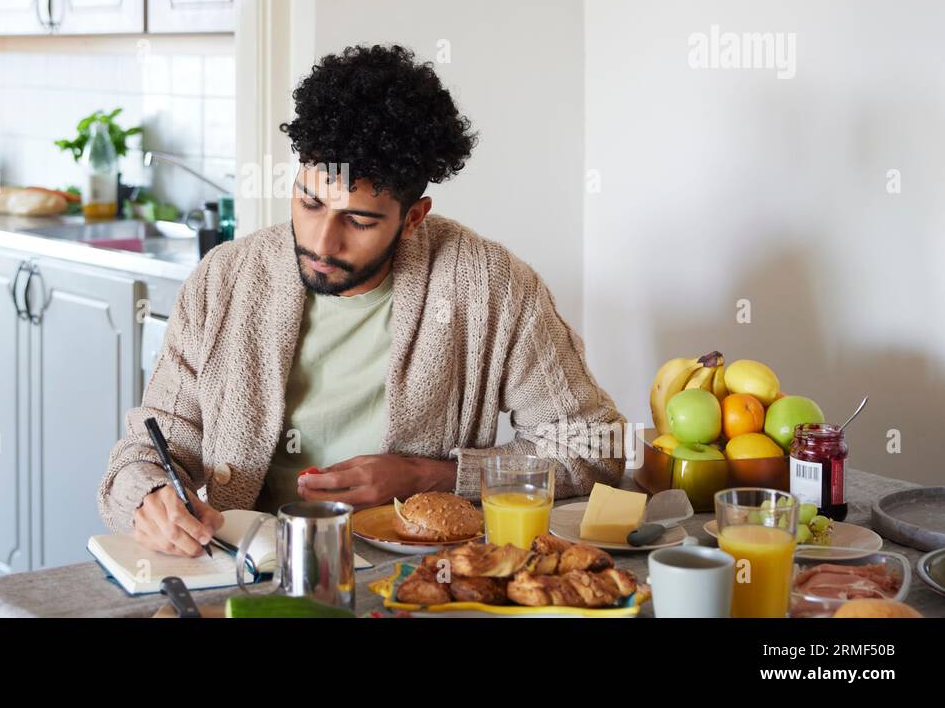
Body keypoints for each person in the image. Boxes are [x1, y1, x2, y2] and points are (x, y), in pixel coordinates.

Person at [98, 44, 625, 557]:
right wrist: (148, 496)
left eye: (359, 219)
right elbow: (148, 449)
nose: (322, 242)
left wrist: (433, 477)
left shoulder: (489, 284)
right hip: (248, 571)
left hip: (414, 586)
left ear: (414, 217)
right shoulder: (225, 280)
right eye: (309, 202)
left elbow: (596, 446)